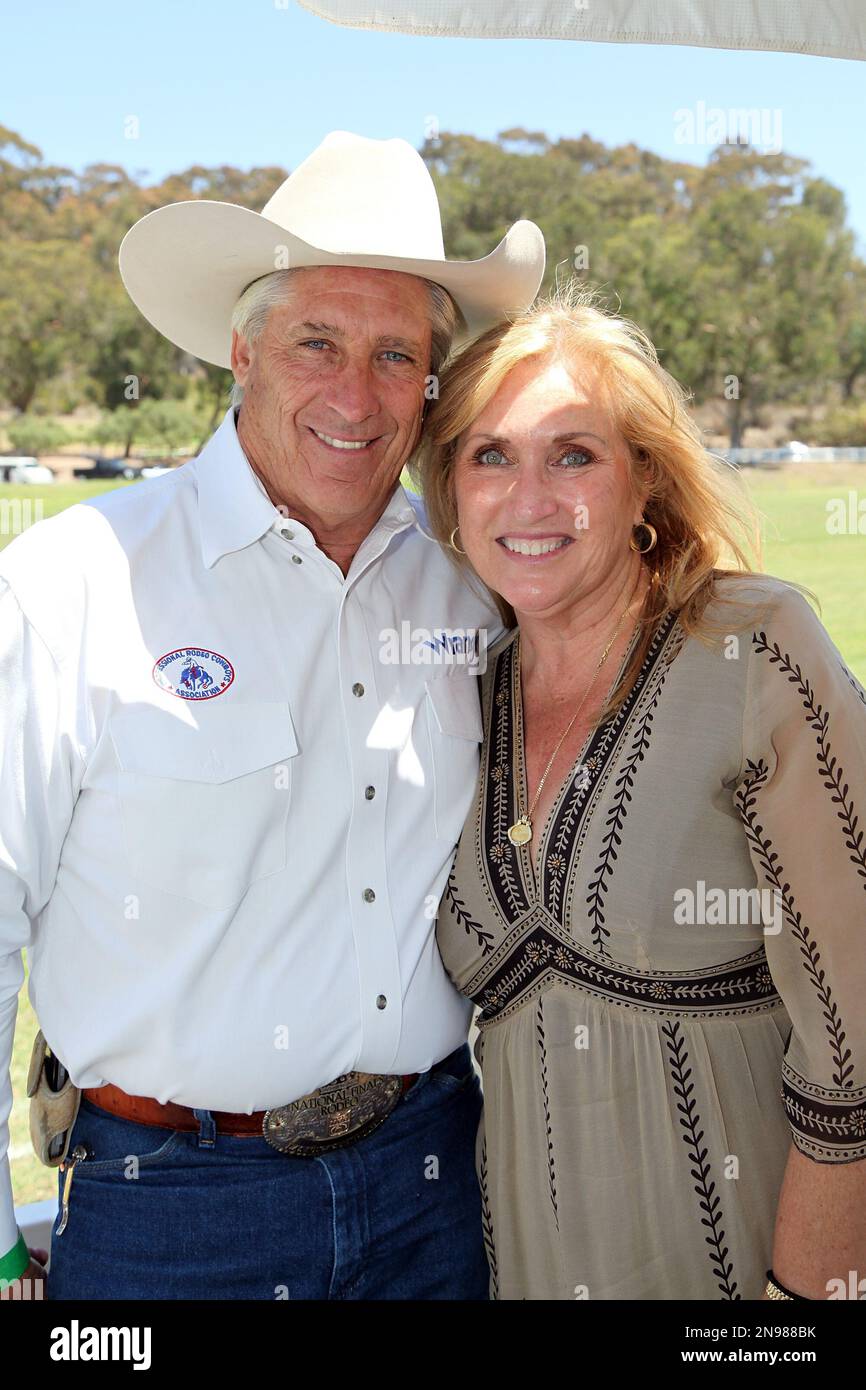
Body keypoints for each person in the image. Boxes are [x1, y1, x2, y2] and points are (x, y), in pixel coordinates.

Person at [0, 131, 545, 1300]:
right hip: (172, 1210)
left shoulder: (475, 590)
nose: (356, 395)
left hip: (435, 1180)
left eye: (397, 353)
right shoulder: (69, 583)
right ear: (240, 353)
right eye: (317, 342)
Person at [419, 285, 866, 1301]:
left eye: (572, 453)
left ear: (644, 485)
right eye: (488, 454)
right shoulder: (459, 696)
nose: (527, 497)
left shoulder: (752, 648)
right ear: (451, 489)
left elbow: (852, 1054)